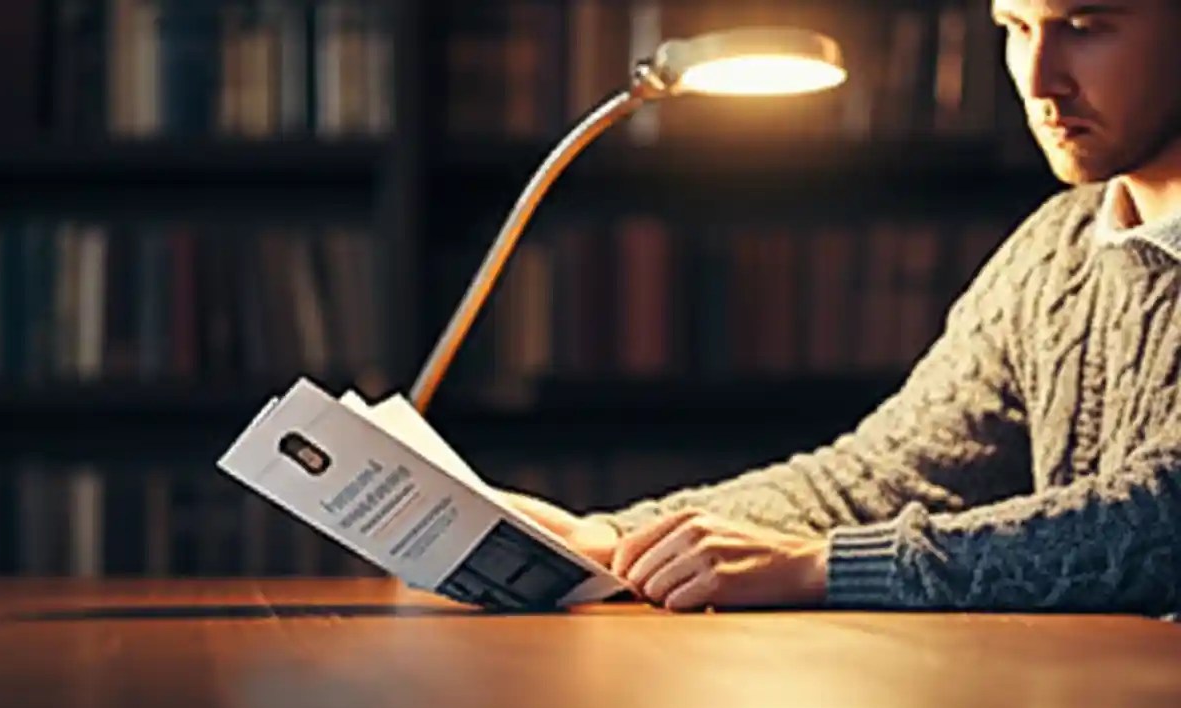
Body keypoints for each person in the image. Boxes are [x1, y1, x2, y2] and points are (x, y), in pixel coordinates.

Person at [502, 0, 1181, 615]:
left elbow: (1163, 520)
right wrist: (621, 538)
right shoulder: (1057, 249)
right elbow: (889, 473)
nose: (1039, 82)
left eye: (1086, 28)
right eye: (1016, 28)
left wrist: (824, 567)